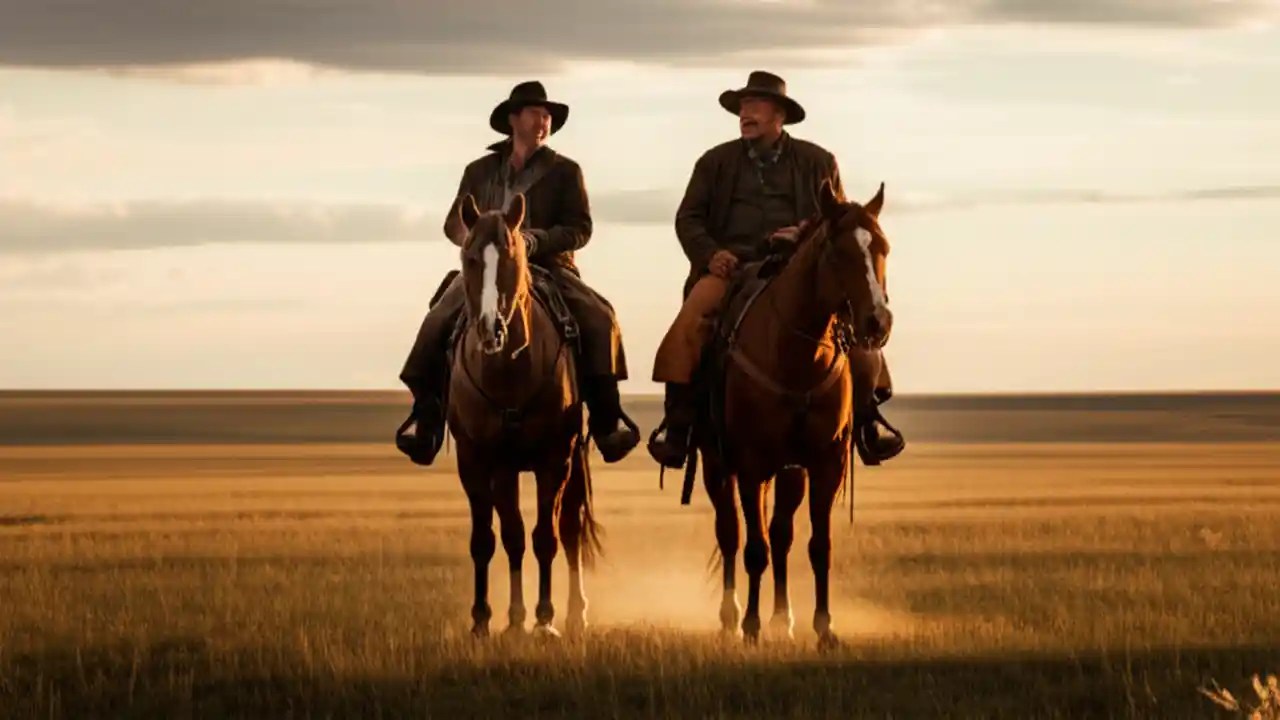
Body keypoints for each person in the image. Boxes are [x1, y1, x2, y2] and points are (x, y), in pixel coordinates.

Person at [645, 70, 906, 468]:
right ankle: (678, 425)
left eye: (756, 105)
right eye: (742, 106)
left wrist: (803, 232)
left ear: (779, 115)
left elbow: (838, 220)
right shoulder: (714, 162)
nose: (745, 113)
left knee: (851, 325)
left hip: (799, 269)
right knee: (691, 320)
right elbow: (689, 218)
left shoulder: (818, 161)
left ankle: (867, 417)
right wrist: (711, 254)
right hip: (732, 269)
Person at [396, 80, 639, 465]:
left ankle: (607, 419)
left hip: (549, 267)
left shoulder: (565, 171)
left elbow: (580, 229)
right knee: (436, 321)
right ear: (513, 119)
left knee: (600, 318)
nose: (543, 122)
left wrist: (533, 241)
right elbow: (453, 223)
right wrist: (477, 241)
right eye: (535, 114)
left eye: (547, 117)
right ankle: (426, 418)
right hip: (485, 271)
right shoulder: (479, 171)